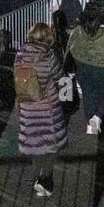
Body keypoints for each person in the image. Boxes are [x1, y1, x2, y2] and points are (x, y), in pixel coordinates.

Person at [14, 22, 67, 197]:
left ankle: (39, 176)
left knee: (34, 141)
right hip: (47, 106)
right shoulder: (48, 54)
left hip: (27, 105)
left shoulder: (20, 53)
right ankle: (46, 178)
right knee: (50, 144)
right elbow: (60, 76)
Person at [68, 0, 104, 135]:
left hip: (82, 67)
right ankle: (97, 117)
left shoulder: (77, 31)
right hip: (103, 69)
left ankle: (91, 123)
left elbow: (69, 48)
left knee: (89, 94)